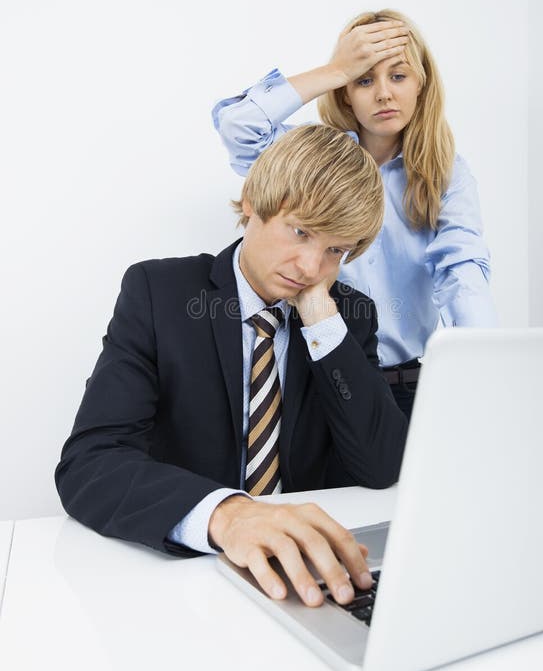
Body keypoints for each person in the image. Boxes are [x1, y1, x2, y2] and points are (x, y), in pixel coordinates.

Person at [55, 124, 407, 609]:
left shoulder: (348, 315)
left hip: (306, 578)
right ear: (251, 202)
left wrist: (321, 320)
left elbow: (379, 466)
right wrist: (226, 515)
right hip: (185, 580)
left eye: (335, 251)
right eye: (301, 232)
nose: (309, 267)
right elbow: (90, 463)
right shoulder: (159, 292)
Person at [213, 9, 498, 419]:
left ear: (421, 84)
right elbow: (239, 127)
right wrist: (335, 69)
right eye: (364, 80)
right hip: (315, 375)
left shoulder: (446, 175)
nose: (383, 94)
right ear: (345, 92)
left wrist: (486, 361)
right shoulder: (309, 158)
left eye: (398, 76)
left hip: (405, 385)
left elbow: (463, 270)